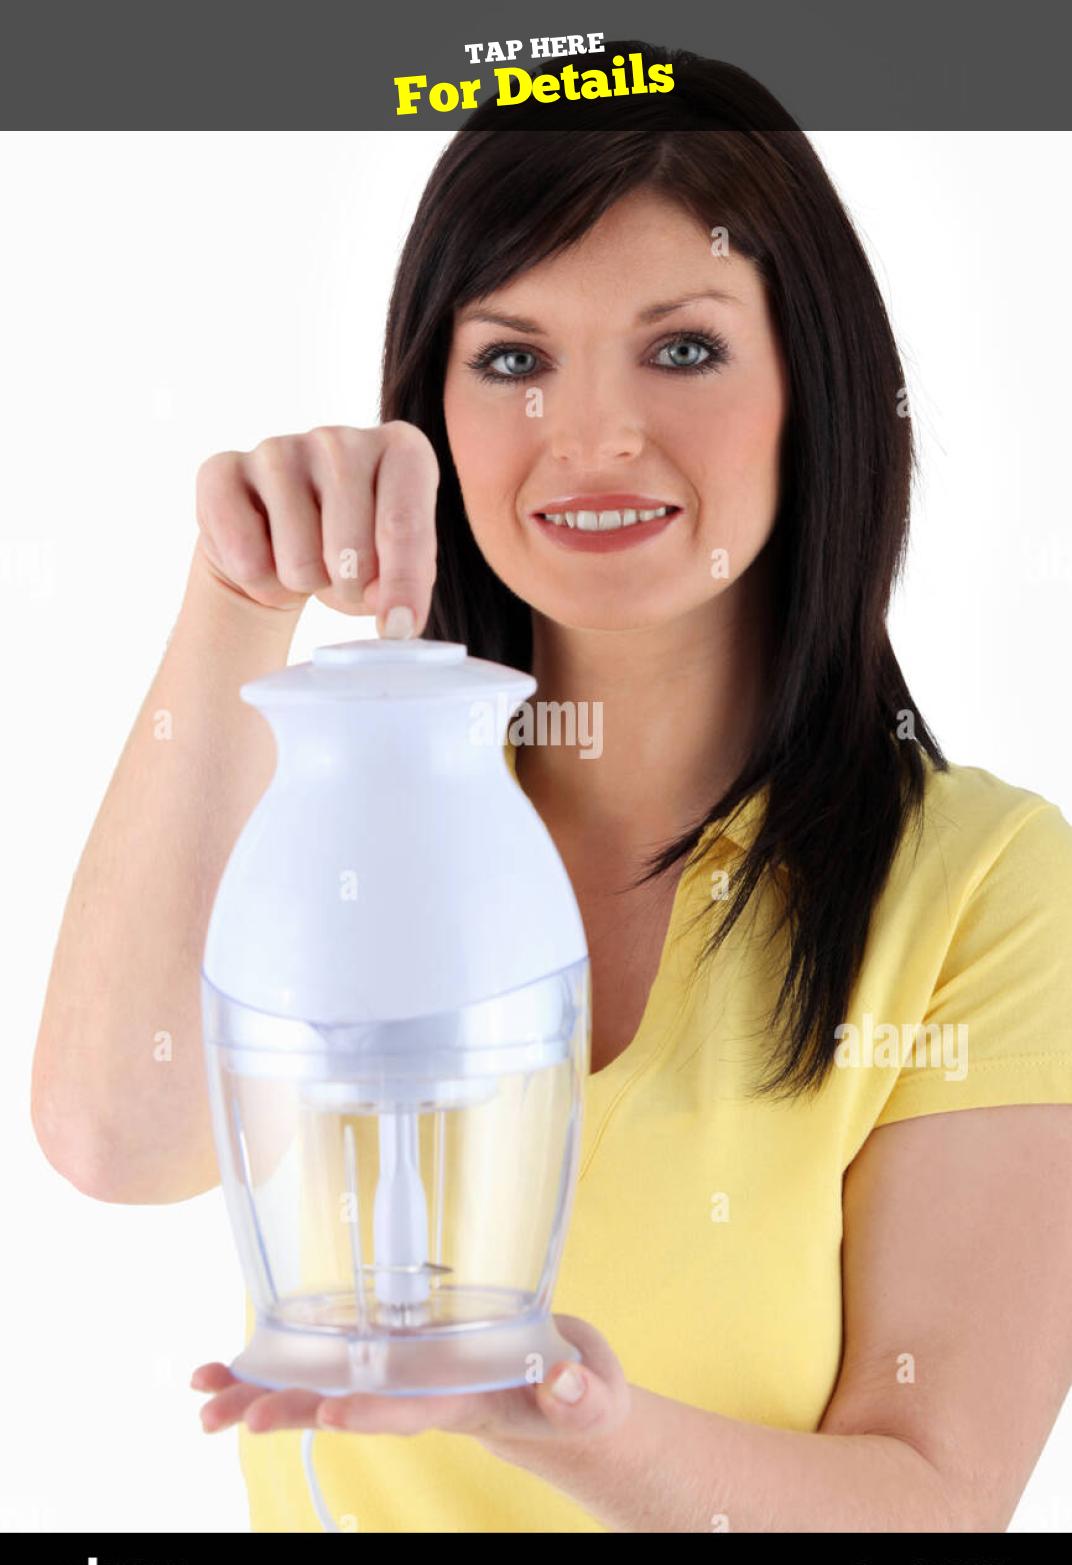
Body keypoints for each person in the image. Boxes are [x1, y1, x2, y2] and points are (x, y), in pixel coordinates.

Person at [31, 43, 1072, 1533]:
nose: (592, 436)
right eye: (512, 358)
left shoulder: (981, 886)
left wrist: (572, 1420)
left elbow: (934, 1496)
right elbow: (118, 1139)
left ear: (817, 387)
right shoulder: (350, 811)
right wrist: (234, 597)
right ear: (432, 411)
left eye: (685, 347)